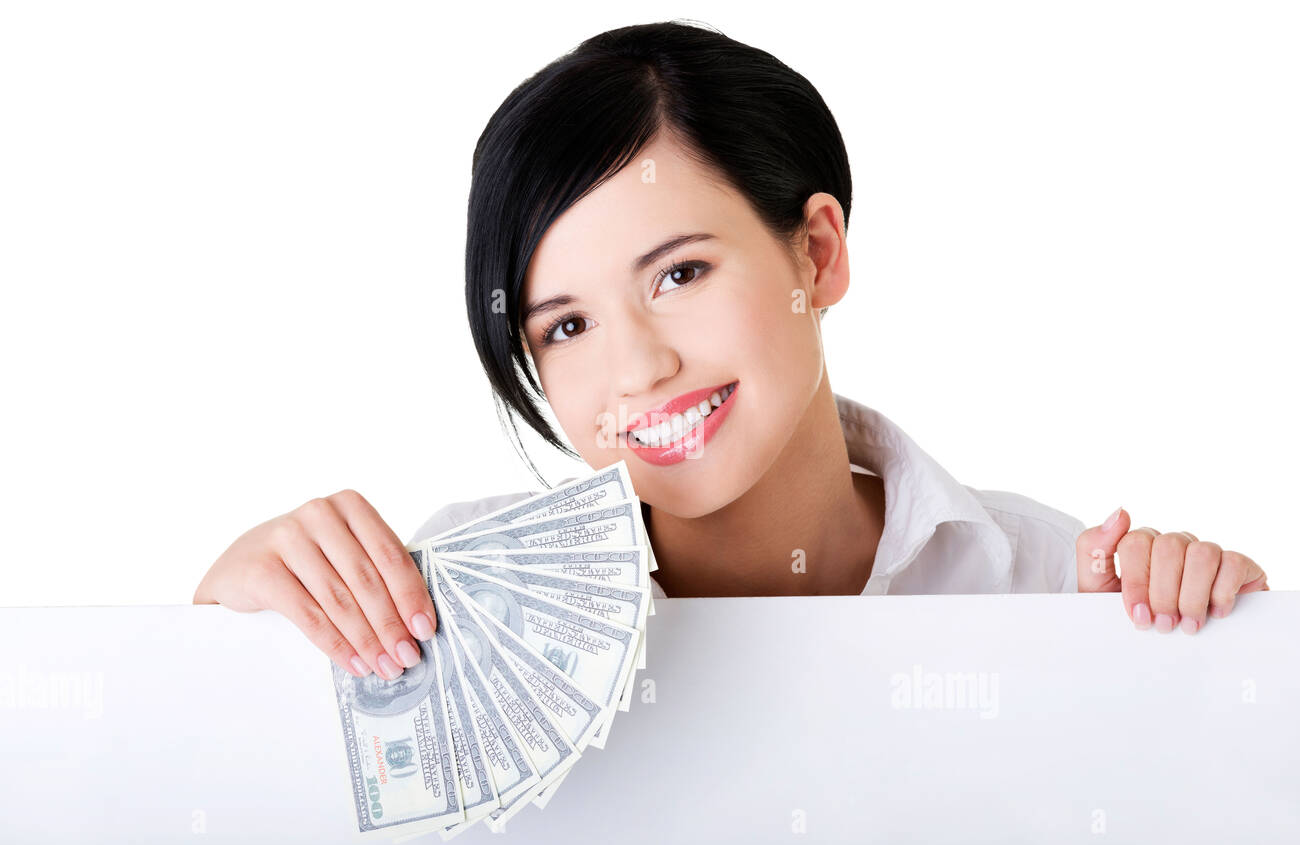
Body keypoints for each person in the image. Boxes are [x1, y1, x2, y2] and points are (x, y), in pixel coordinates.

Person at [193, 20, 1268, 684]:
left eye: (677, 275)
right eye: (565, 326)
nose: (636, 369)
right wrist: (224, 624)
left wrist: (1208, 657)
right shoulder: (447, 601)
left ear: (816, 252)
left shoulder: (1047, 582)